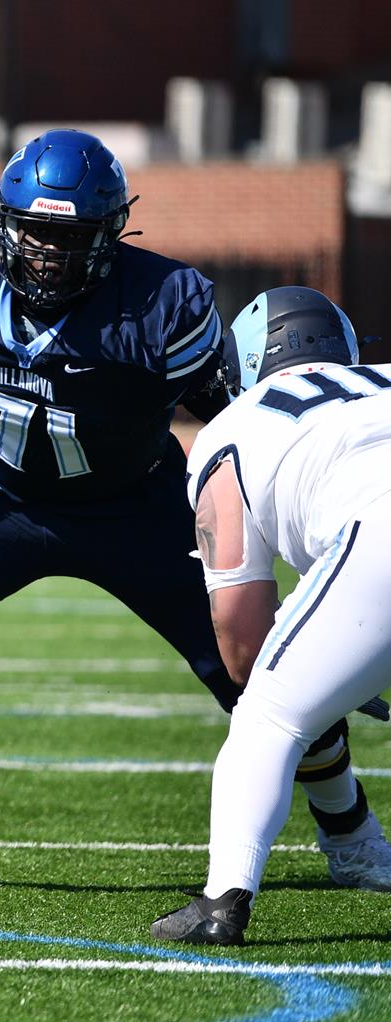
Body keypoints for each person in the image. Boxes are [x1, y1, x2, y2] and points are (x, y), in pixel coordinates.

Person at [0, 130, 391, 883]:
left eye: (72, 237)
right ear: (3, 218)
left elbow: (227, 410)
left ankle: (349, 828)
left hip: (134, 502)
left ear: (112, 233)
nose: (49, 253)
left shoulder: (164, 301)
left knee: (259, 668)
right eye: (35, 231)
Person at [153, 289, 391, 945]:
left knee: (268, 713)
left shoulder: (229, 428)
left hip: (380, 535)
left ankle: (222, 901)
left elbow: (240, 640)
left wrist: (334, 668)